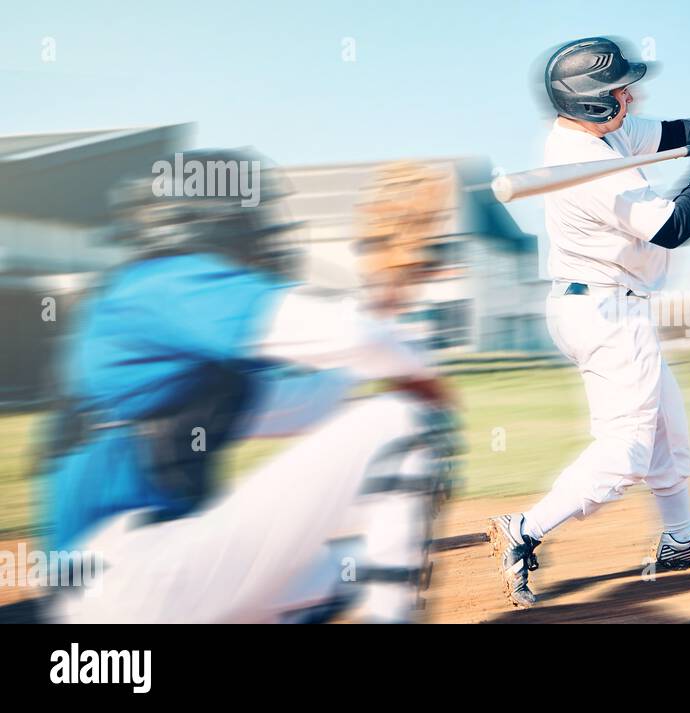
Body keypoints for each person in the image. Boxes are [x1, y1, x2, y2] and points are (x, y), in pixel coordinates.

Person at [43, 149, 456, 623]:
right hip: (132, 580)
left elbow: (309, 401)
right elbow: (351, 339)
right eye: (249, 226)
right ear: (204, 228)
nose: (262, 243)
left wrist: (386, 300)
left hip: (126, 593)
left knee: (352, 565)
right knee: (405, 423)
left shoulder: (155, 326)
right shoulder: (160, 282)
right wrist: (419, 378)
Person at [488, 37, 690, 608]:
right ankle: (525, 530)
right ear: (590, 101)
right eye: (619, 90)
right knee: (626, 453)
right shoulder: (585, 164)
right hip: (605, 310)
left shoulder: (607, 132)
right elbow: (671, 227)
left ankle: (680, 542)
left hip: (606, 303)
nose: (631, 97)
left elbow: (675, 132)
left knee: (669, 430)